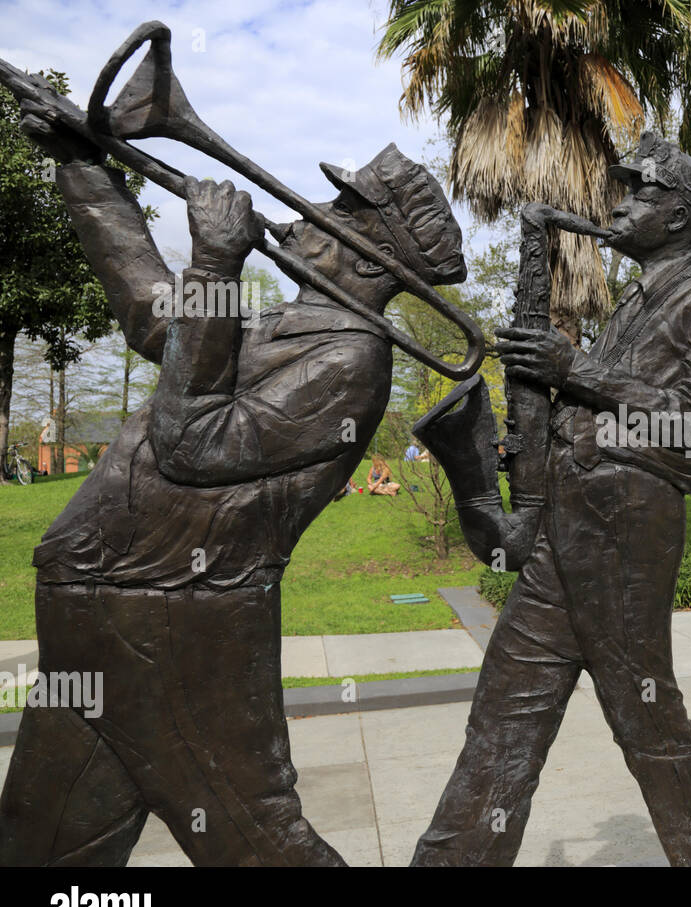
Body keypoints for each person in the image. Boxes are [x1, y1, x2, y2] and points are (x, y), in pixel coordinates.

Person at [0, 102, 467, 865]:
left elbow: (191, 443)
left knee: (256, 842)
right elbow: (163, 325)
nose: (311, 213)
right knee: (43, 840)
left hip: (181, 627)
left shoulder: (349, 361)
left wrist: (216, 262)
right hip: (103, 606)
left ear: (372, 260)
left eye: (340, 209)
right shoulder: (290, 324)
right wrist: (86, 172)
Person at [410, 131, 691, 867]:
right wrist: (545, 392)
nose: (619, 205)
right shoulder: (638, 302)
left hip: (623, 533)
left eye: (639, 191)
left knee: (647, 720)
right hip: (571, 530)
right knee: (504, 715)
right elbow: (596, 405)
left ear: (677, 216)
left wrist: (575, 368)